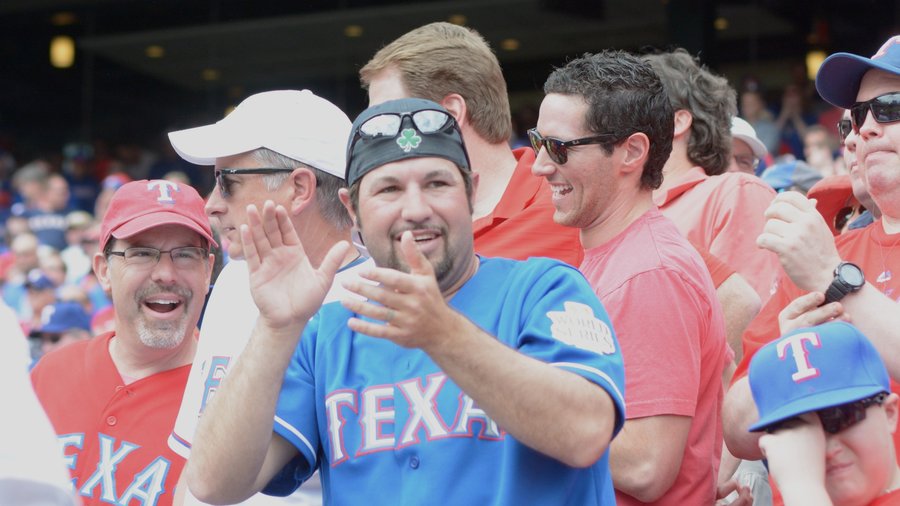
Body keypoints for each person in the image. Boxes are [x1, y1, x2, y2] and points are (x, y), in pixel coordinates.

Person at [185, 98, 626, 505]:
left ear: (471, 193)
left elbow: (586, 434)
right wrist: (275, 328)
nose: (415, 209)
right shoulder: (326, 332)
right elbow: (213, 484)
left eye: (436, 183)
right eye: (389, 190)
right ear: (353, 210)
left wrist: (442, 334)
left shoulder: (544, 290)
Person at [531, 50, 727, 505]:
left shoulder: (649, 273)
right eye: (537, 141)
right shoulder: (623, 258)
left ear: (632, 152)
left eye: (558, 147)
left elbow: (646, 465)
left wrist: (511, 402)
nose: (539, 164)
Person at [167, 88, 372, 505]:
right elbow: (193, 468)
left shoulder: (378, 298)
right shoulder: (233, 281)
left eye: (227, 183)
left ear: (299, 189)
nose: (210, 205)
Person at [723, 34, 900, 506]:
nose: (864, 130)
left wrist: (834, 279)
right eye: (858, 115)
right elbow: (737, 432)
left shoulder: (823, 262)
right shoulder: (825, 253)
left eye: (890, 108)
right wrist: (784, 353)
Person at [30, 179, 216, 506]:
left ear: (207, 271)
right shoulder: (51, 371)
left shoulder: (226, 402)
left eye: (186, 254)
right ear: (103, 270)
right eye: (142, 253)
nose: (166, 273)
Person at [359, 21, 582, 265]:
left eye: (387, 120)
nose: (374, 135)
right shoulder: (390, 228)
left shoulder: (572, 212)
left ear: (449, 115)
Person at [644, 49, 780, 302]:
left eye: (632, 110)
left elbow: (755, 319)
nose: (615, 123)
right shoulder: (620, 212)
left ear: (676, 122)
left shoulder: (734, 193)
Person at [748, 321, 900, 506]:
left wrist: (802, 488)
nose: (825, 447)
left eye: (841, 416)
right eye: (795, 428)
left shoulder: (800, 490)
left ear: (889, 413)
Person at [1, 298, 76, 506]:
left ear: (84, 335)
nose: (46, 346)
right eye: (42, 339)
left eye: (55, 338)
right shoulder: (35, 373)